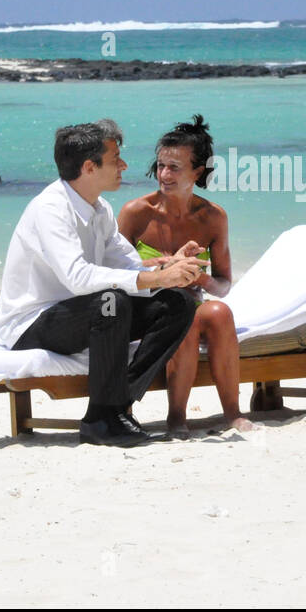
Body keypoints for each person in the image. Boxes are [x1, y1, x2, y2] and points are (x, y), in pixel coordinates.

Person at [0, 119, 207, 447]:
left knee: (177, 303)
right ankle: (101, 419)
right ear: (90, 167)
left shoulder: (100, 208)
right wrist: (157, 276)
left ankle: (117, 405)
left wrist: (169, 266)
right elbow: (79, 277)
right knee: (112, 301)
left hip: (82, 314)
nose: (124, 165)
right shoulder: (51, 208)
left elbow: (129, 265)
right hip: (31, 322)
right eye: (115, 159)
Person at [118, 115, 254, 438]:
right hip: (147, 309)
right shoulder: (137, 213)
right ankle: (177, 417)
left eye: (174, 167)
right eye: (161, 165)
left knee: (219, 313)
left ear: (198, 171)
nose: (164, 174)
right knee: (184, 316)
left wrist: (201, 280)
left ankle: (232, 413)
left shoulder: (213, 218)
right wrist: (162, 270)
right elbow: (113, 273)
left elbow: (223, 284)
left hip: (193, 302)